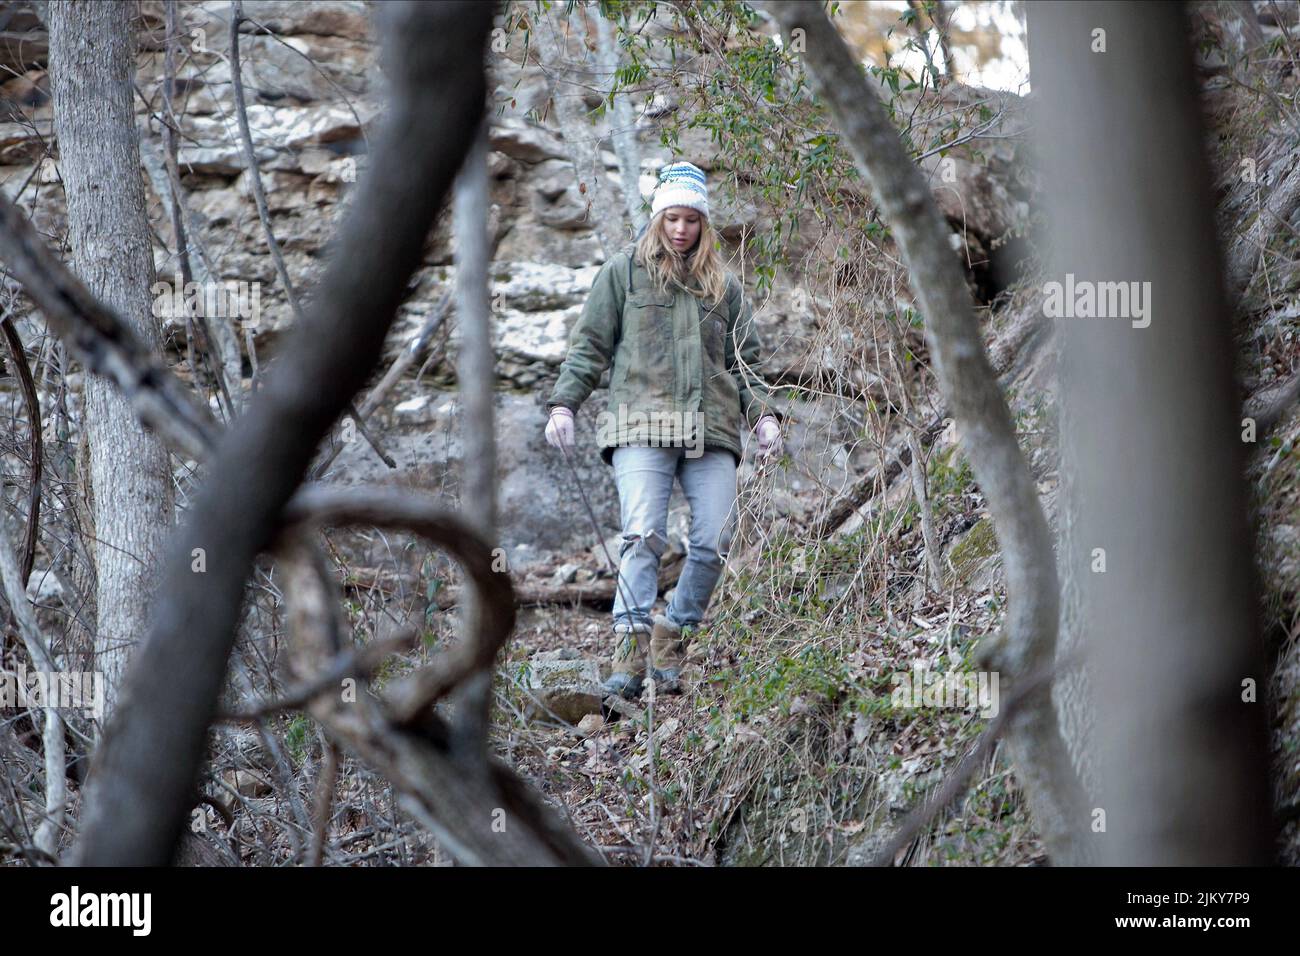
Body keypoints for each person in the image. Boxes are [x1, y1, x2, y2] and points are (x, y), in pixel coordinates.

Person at [543, 161, 785, 699]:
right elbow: (589, 348)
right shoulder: (623, 272)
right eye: (672, 218)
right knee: (643, 536)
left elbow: (747, 365)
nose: (681, 229)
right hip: (639, 423)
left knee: (714, 540)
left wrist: (764, 415)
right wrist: (564, 406)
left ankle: (672, 632)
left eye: (691, 219)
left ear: (703, 223)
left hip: (712, 427)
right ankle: (628, 651)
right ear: (659, 218)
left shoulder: (724, 286)